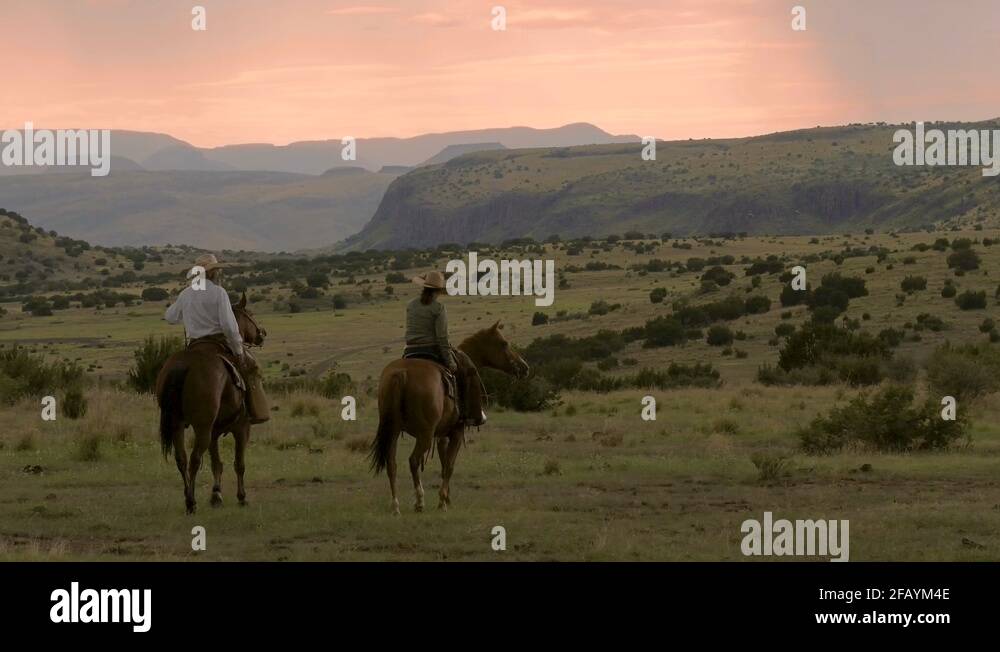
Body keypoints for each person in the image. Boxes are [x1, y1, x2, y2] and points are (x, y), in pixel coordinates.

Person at [164, 254, 270, 424]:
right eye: (216, 271)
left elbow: (170, 317)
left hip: (194, 344)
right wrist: (238, 351)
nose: (218, 273)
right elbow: (229, 326)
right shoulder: (219, 292)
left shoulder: (186, 294)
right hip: (217, 344)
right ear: (212, 273)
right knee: (250, 367)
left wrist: (189, 315)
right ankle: (253, 412)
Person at [403, 271, 486, 426]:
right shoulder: (438, 308)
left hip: (410, 351)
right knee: (463, 371)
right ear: (439, 291)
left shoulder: (410, 305)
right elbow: (442, 338)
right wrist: (450, 361)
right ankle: (466, 414)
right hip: (431, 350)